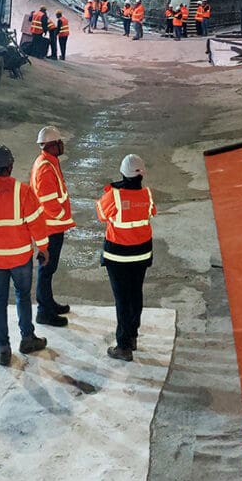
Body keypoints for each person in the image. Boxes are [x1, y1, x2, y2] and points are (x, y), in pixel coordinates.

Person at [0, 145, 49, 366]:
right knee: (22, 296)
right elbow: (36, 224)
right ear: (11, 165)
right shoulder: (23, 192)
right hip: (21, 257)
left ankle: (3, 348)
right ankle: (27, 338)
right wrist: (43, 248)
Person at [97, 153, 156, 362]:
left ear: (123, 173)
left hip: (118, 256)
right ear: (142, 174)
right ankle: (132, 337)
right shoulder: (147, 194)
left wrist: (111, 191)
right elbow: (151, 211)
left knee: (122, 299)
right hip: (141, 254)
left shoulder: (114, 195)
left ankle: (123, 346)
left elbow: (101, 214)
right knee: (135, 294)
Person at [31, 125, 74, 326]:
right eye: (59, 142)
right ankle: (44, 312)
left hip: (52, 227)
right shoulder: (46, 168)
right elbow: (48, 201)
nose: (62, 145)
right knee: (46, 270)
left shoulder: (49, 163)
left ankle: (48, 304)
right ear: (51, 145)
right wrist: (63, 215)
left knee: (48, 269)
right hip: (49, 228)